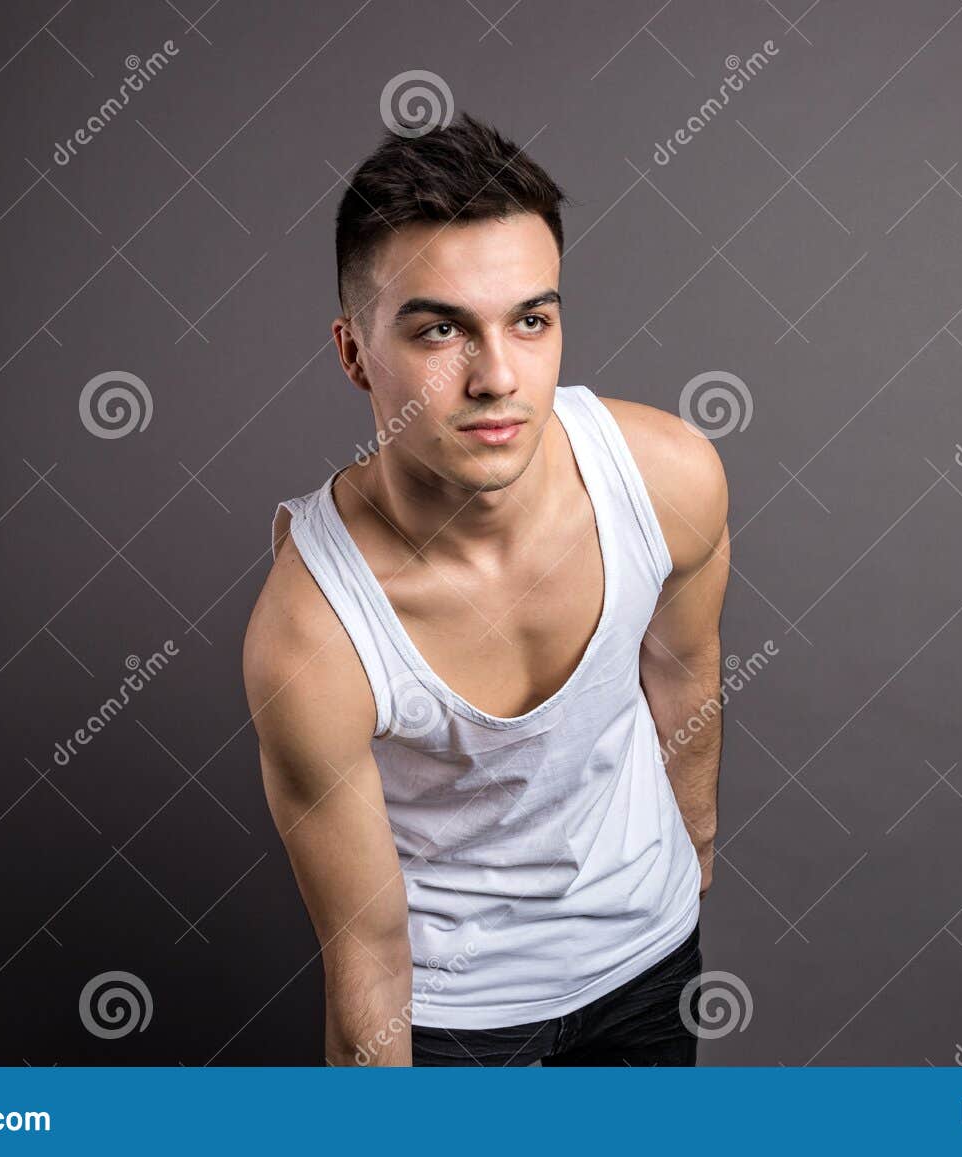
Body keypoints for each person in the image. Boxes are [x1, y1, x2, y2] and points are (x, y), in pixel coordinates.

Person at [242, 112, 730, 1066]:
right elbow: (367, 961)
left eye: (531, 320)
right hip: (457, 1014)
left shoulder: (670, 478)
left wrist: (686, 868)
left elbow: (687, 678)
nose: (498, 376)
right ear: (354, 354)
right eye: (440, 330)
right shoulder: (312, 634)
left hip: (651, 958)